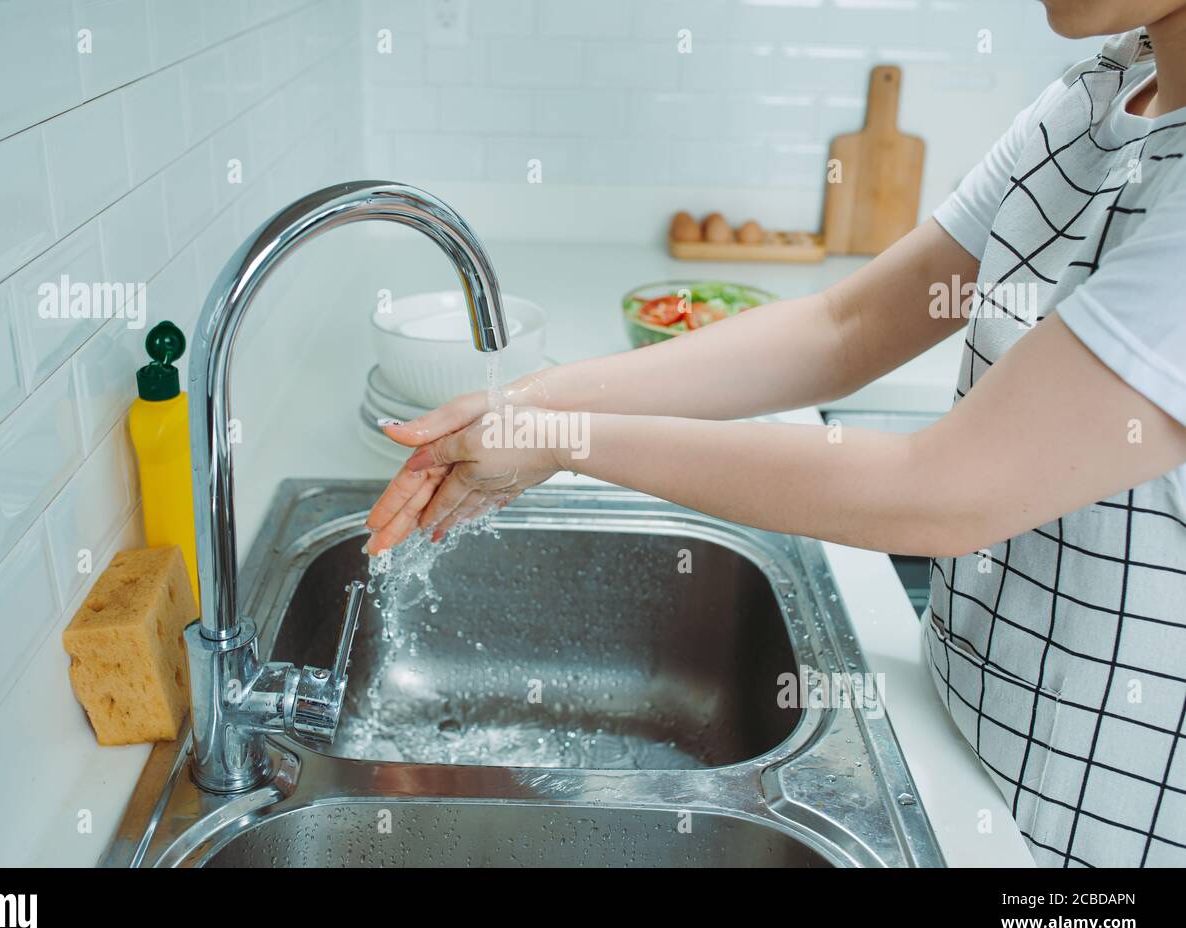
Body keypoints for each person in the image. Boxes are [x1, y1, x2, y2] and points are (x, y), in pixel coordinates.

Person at [365, 1, 1186, 867]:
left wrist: (564, 435)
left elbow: (943, 492)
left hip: (1104, 830)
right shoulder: (1101, 92)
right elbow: (847, 325)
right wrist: (533, 400)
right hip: (967, 752)